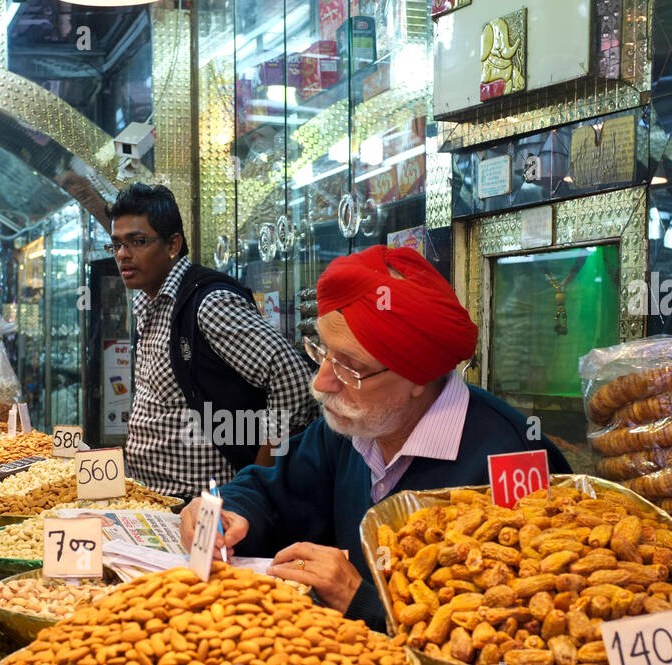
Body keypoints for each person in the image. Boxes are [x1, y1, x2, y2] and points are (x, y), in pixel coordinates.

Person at [179, 246, 570, 633]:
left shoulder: (514, 461)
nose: (321, 382)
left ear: (418, 376)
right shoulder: (353, 427)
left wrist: (361, 599)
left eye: (349, 368)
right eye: (322, 353)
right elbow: (273, 491)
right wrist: (228, 513)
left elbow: (527, 629)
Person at [107, 184, 317, 500]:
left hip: (205, 503)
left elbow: (294, 380)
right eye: (117, 244)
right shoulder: (147, 303)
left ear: (172, 244)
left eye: (137, 241)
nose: (123, 254)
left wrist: (262, 477)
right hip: (154, 497)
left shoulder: (210, 303)